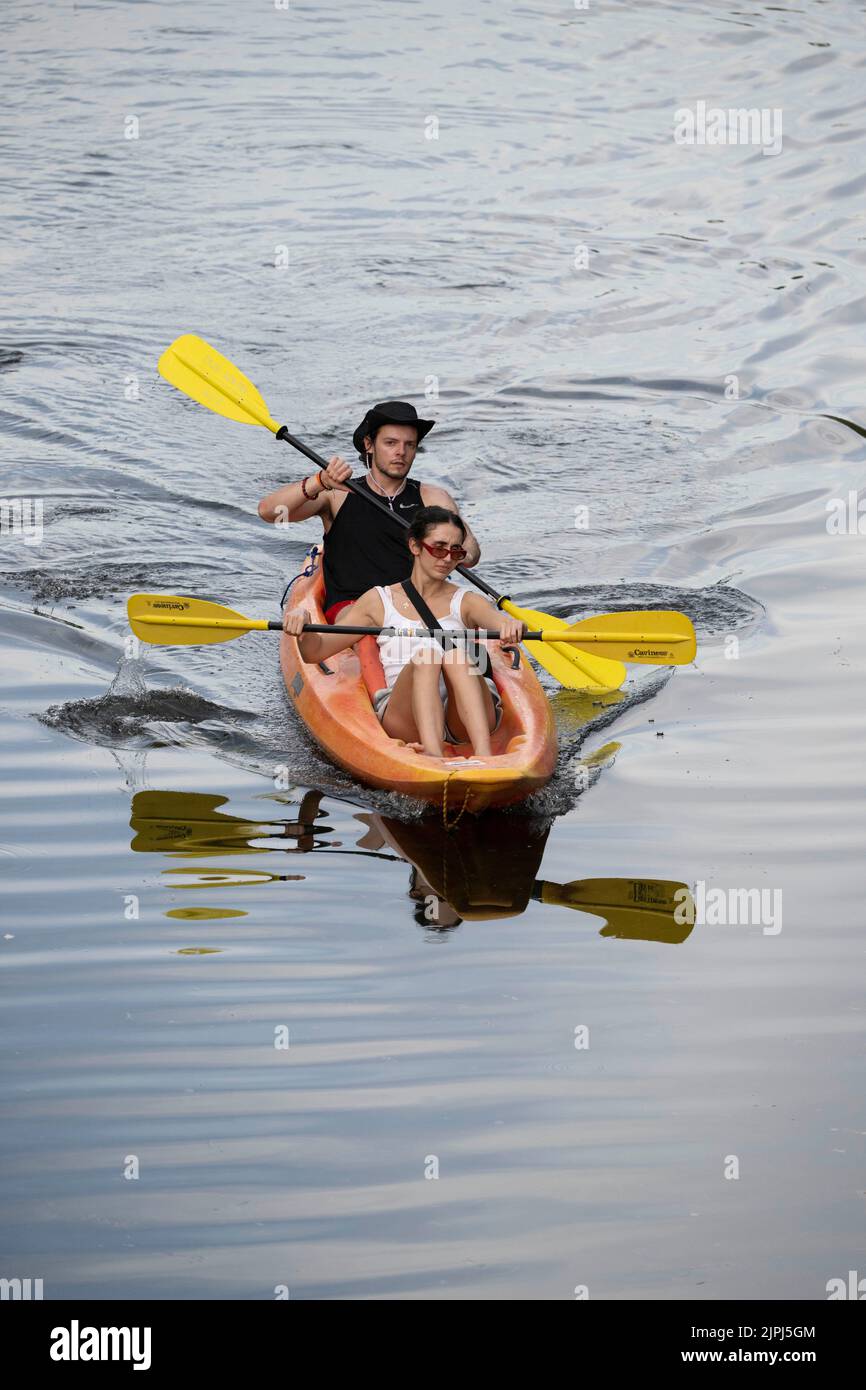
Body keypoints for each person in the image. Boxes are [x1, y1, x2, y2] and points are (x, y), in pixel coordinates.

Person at [282, 507, 524, 758]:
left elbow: (499, 621)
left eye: (456, 551)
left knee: (457, 657)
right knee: (427, 657)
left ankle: (484, 757)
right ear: (415, 546)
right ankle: (432, 755)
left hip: (462, 716)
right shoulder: (379, 600)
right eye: (438, 547)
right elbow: (315, 651)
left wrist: (512, 626)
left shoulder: (466, 601)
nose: (447, 558)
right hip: (406, 716)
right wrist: (303, 626)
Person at [258, 400, 480, 623]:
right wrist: (319, 481)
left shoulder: (433, 498)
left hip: (417, 607)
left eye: (409, 445)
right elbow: (270, 512)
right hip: (354, 611)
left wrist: (456, 551)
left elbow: (470, 552)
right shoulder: (337, 495)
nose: (400, 452)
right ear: (369, 444)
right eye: (390, 443)